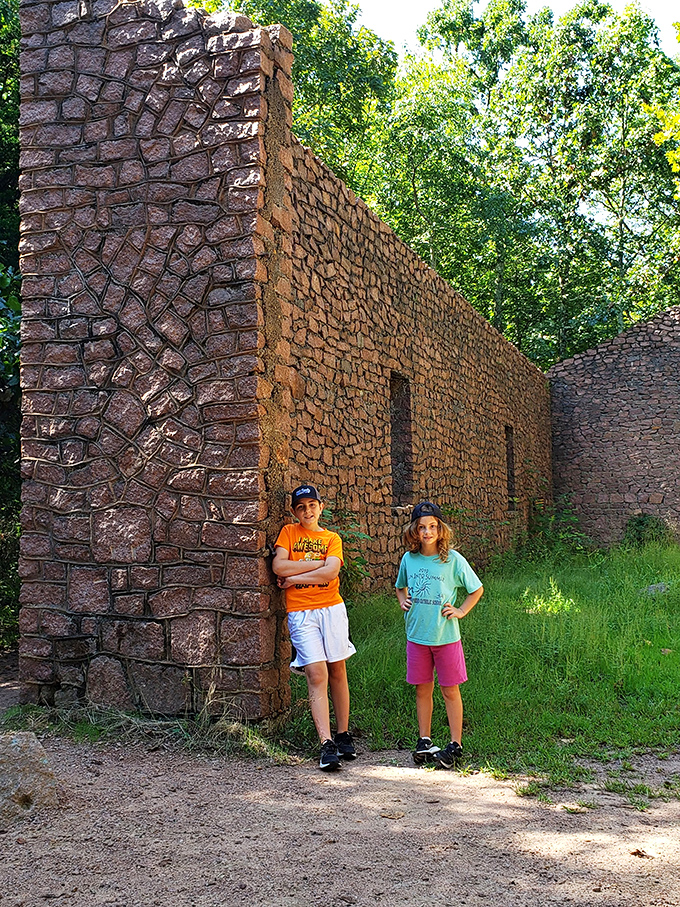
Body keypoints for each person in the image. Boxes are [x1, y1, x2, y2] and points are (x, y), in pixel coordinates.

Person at [272, 483, 357, 771]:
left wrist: (295, 577)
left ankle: (344, 734)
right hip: (301, 611)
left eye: (312, 505)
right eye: (301, 507)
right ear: (295, 512)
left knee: (337, 668)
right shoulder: (289, 533)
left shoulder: (332, 537)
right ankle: (326, 743)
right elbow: (278, 567)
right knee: (315, 671)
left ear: (321, 507)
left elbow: (331, 572)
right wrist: (315, 566)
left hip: (331, 608)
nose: (307, 511)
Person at [395, 501, 484, 769]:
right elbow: (400, 587)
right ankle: (425, 740)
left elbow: (476, 589)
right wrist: (403, 600)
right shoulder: (409, 559)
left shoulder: (453, 560)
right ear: (414, 530)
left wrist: (461, 610)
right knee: (423, 689)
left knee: (450, 690)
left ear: (440, 529)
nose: (427, 532)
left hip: (445, 638)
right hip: (417, 636)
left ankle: (455, 744)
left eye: (432, 526)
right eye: (422, 527)